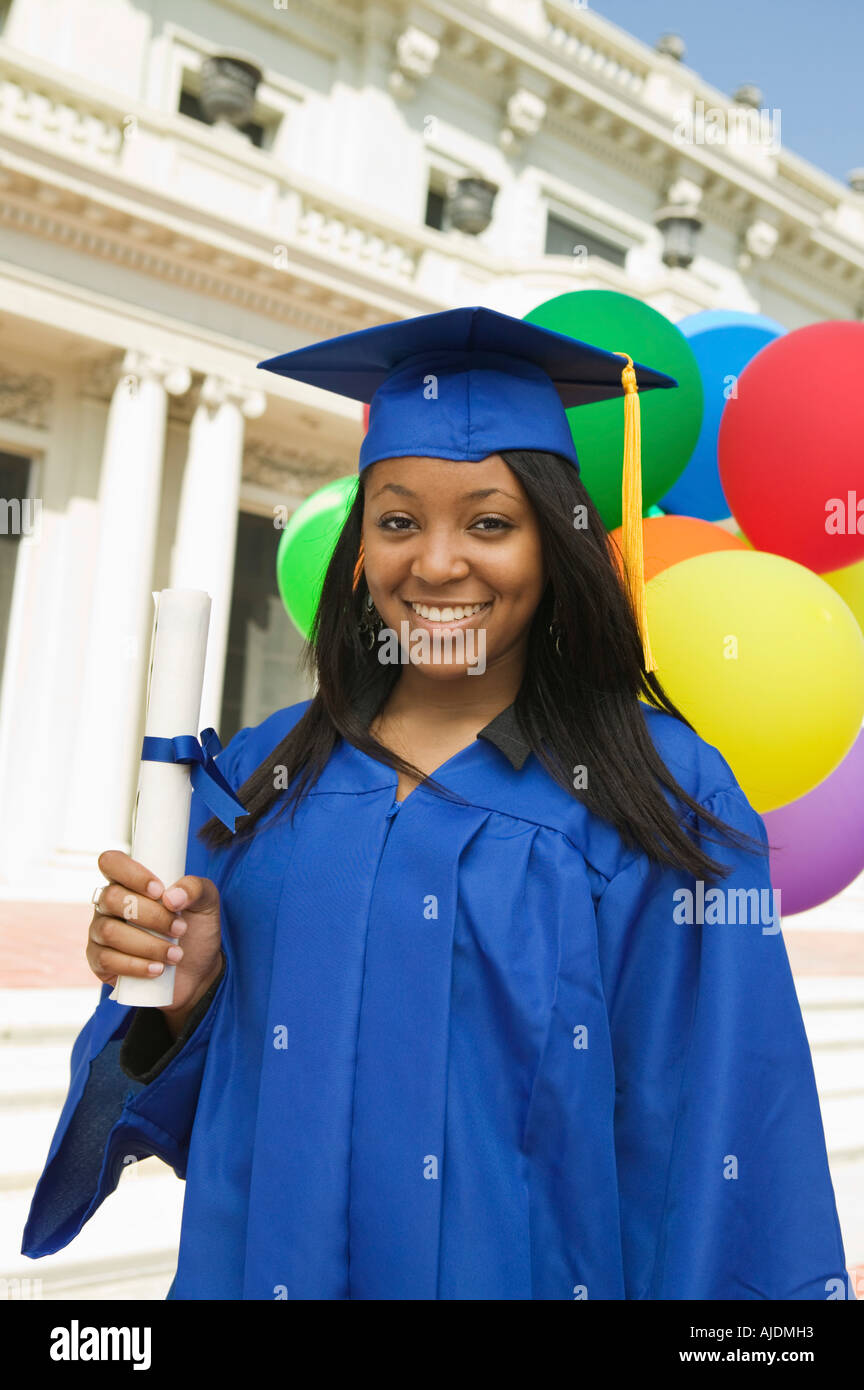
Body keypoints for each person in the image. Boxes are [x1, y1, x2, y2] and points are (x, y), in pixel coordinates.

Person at [22, 307, 851, 1300]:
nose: (438, 562)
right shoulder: (261, 777)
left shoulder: (656, 791)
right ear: (359, 547)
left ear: (556, 541)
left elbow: (724, 1134)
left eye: (490, 521)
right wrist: (189, 998)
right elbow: (230, 1124)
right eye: (399, 518)